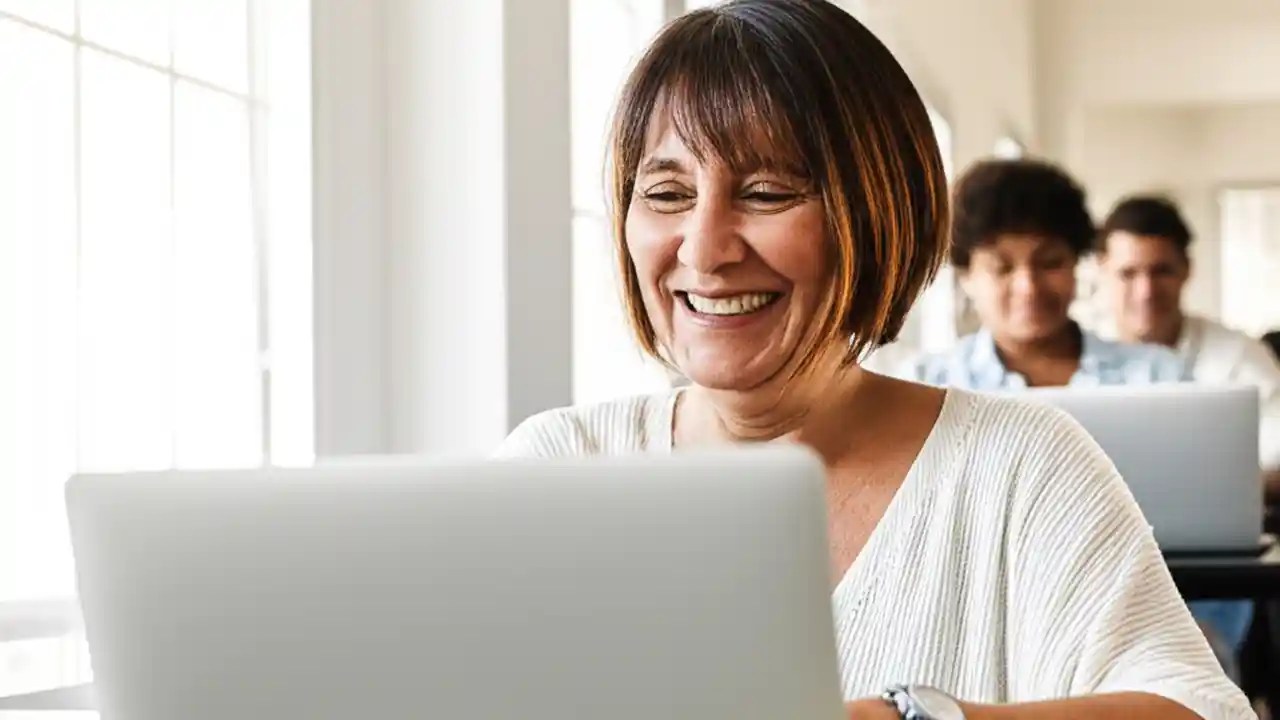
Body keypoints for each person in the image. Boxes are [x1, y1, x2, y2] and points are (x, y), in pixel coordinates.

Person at [497, 1, 1251, 718]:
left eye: (765, 191)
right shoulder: (560, 466)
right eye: (665, 192)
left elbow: (1198, 709)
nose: (703, 248)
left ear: (879, 211)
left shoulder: (1023, 465)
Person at [906, 159, 1186, 388]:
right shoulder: (926, 385)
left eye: (1050, 263)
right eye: (1002, 268)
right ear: (966, 276)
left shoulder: (1157, 376)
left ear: (1077, 262)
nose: (1028, 287)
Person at [1096, 196, 1280, 498]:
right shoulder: (1076, 356)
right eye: (1128, 273)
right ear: (1103, 270)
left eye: (1161, 271)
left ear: (1187, 269)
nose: (1146, 292)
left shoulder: (1240, 355)